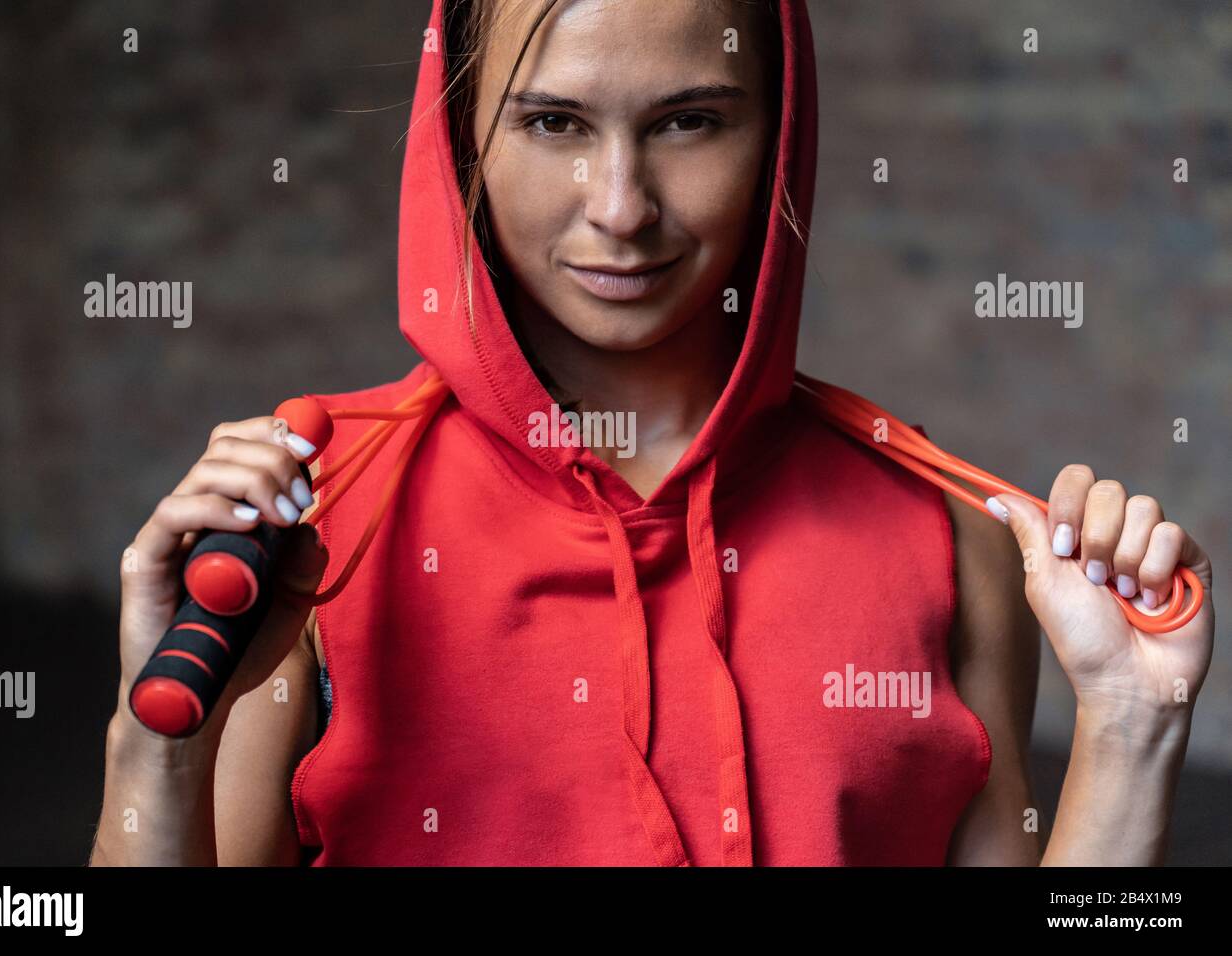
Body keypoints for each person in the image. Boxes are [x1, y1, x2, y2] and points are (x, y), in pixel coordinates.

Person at [90, 0, 1215, 866]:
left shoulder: (948, 537)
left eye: (689, 120)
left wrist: (1131, 729)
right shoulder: (315, 516)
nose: (619, 204)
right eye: (552, 122)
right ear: (462, 143)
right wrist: (157, 740)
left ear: (779, 135)